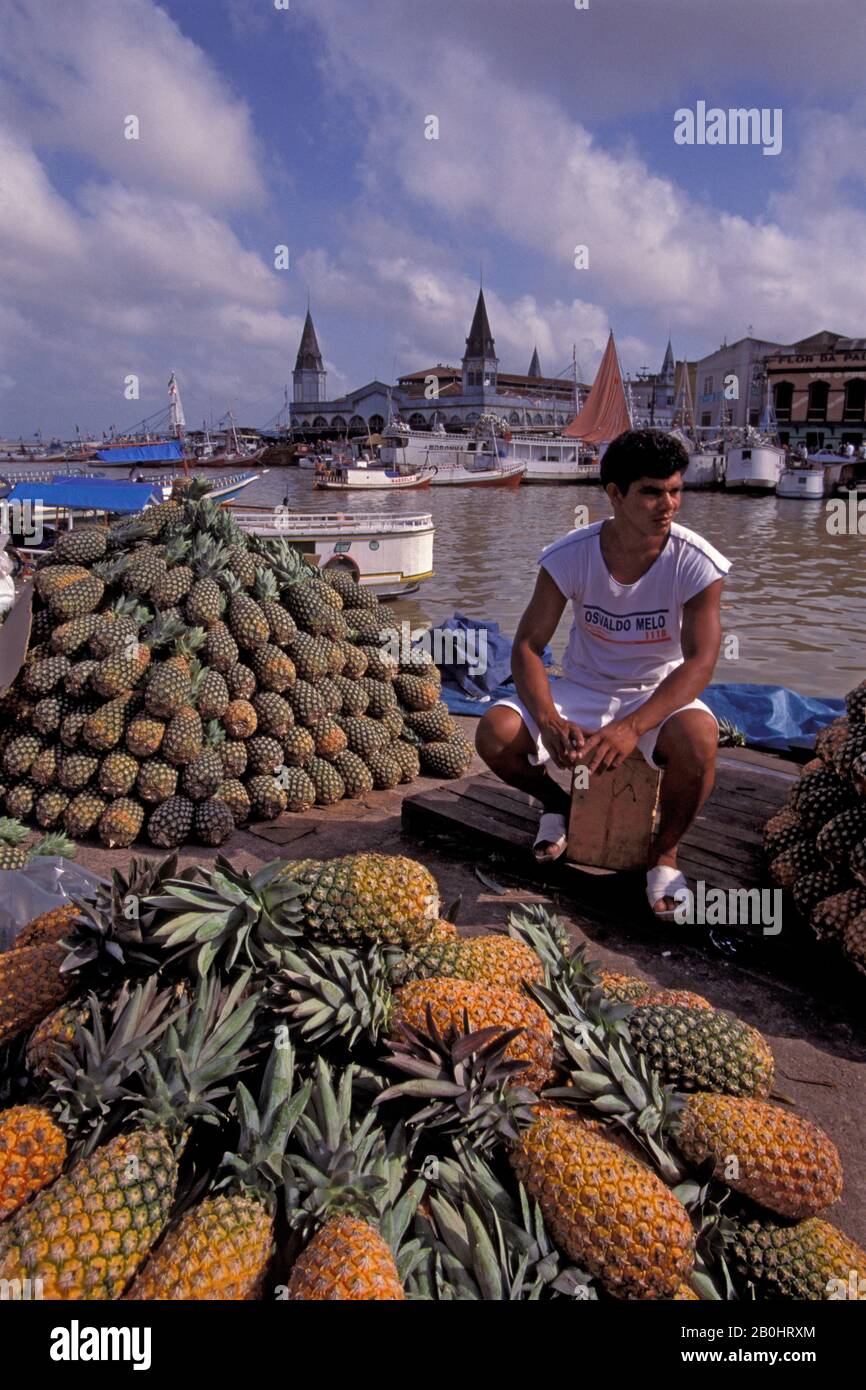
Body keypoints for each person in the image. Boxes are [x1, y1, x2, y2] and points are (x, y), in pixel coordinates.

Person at [475, 428, 729, 920]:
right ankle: (557, 805)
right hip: (584, 688)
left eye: (676, 490)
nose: (668, 504)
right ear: (615, 494)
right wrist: (548, 719)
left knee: (699, 740)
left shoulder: (697, 563)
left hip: (658, 694)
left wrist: (632, 727)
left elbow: (701, 661)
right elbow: (529, 645)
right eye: (652, 491)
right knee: (495, 732)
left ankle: (664, 852)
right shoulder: (570, 555)